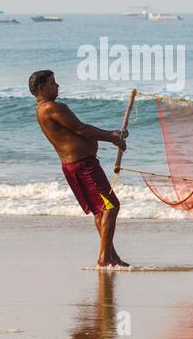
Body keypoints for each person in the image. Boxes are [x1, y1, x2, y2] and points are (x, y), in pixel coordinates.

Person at [30, 70, 129, 267]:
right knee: (111, 205)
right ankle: (104, 258)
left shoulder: (41, 109)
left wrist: (111, 136)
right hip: (83, 166)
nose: (57, 86)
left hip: (73, 166)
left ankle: (111, 256)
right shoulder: (52, 107)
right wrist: (112, 136)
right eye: (52, 83)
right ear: (41, 88)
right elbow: (81, 129)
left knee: (100, 211)